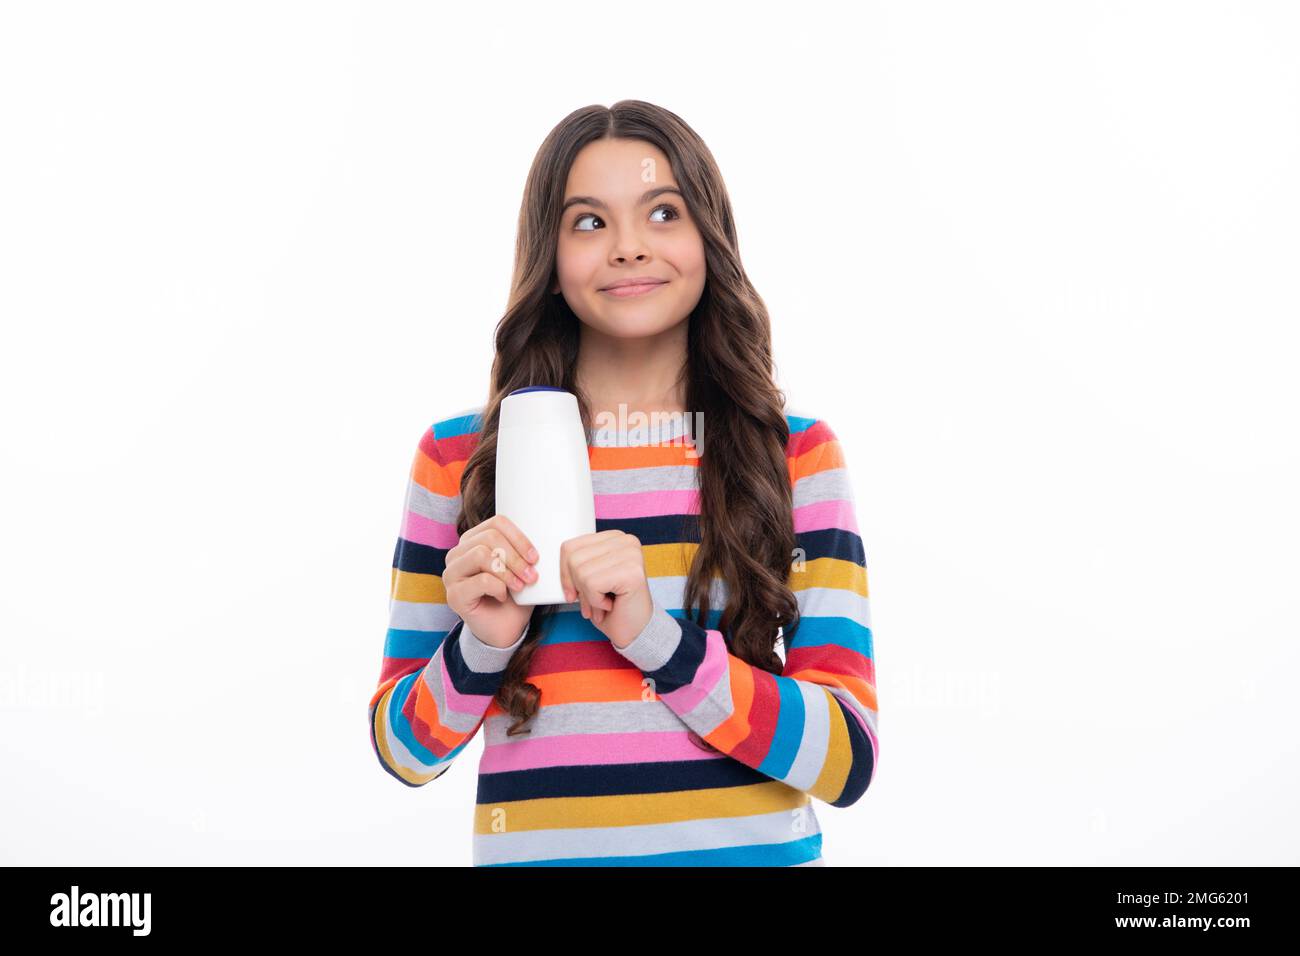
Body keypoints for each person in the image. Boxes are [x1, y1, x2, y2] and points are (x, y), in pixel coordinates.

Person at [367, 100, 877, 866]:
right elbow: (404, 753)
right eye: (589, 222)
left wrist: (657, 642)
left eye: (663, 212)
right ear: (550, 251)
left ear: (709, 236)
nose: (630, 248)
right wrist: (483, 643)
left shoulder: (794, 454)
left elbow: (846, 759)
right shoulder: (460, 458)